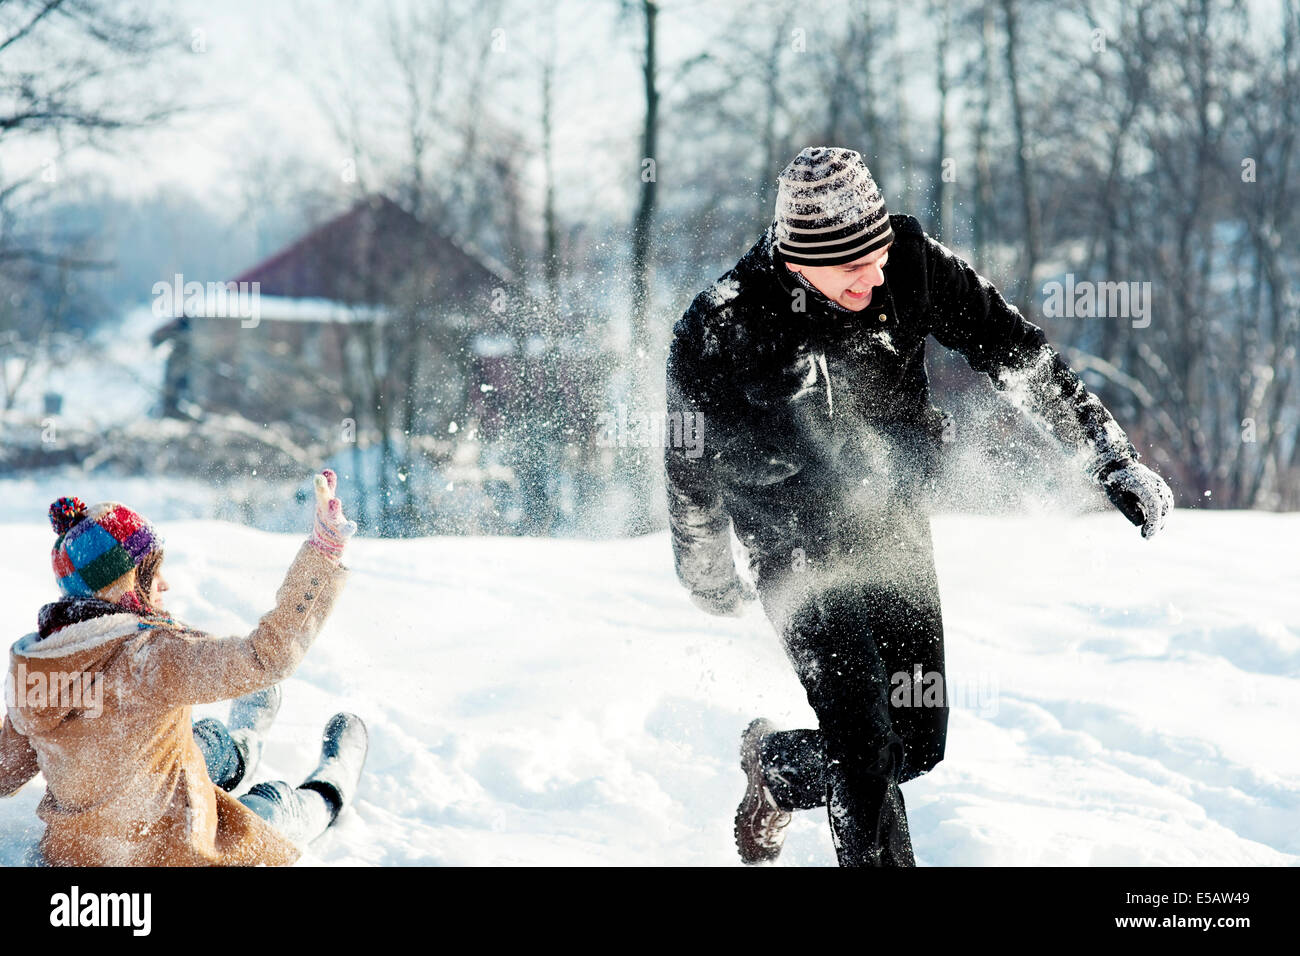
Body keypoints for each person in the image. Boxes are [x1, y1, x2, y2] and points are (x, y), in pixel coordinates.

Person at [664, 146, 1173, 866]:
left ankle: (774, 772)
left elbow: (1015, 352)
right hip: (792, 545)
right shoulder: (722, 325)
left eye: (875, 257)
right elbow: (687, 464)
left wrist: (1108, 457)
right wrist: (706, 570)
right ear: (798, 261)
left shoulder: (913, 265)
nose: (872, 277)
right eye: (850, 268)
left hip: (889, 525)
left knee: (915, 743)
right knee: (864, 751)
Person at [0, 470, 368, 866]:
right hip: (171, 850)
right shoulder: (147, 655)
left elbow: (5, 770)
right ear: (125, 585)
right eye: (152, 573)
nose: (164, 584)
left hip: (76, 851)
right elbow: (264, 658)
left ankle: (245, 740)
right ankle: (333, 782)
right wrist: (323, 553)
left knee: (195, 742)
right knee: (271, 809)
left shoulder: (38, 665)